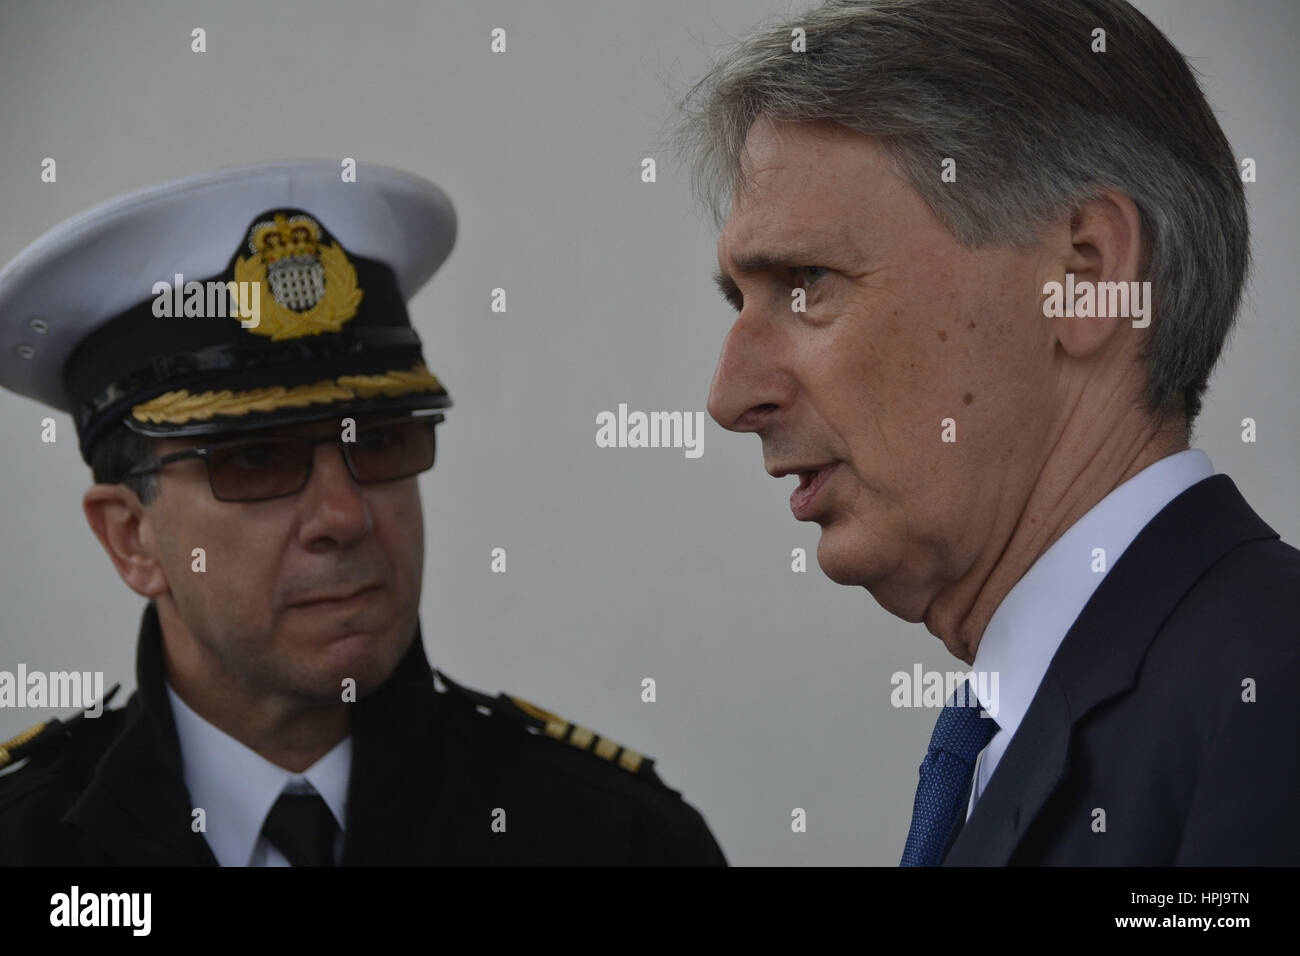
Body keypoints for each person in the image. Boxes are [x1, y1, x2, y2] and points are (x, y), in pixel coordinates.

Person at [674, 0, 1299, 864]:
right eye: (740, 302)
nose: (728, 396)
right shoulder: (1038, 720)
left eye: (809, 282)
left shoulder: (1269, 693)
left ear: (1085, 277)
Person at [0, 161, 725, 866]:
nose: (344, 517)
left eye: (379, 442)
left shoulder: (610, 839)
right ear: (132, 539)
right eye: (257, 460)